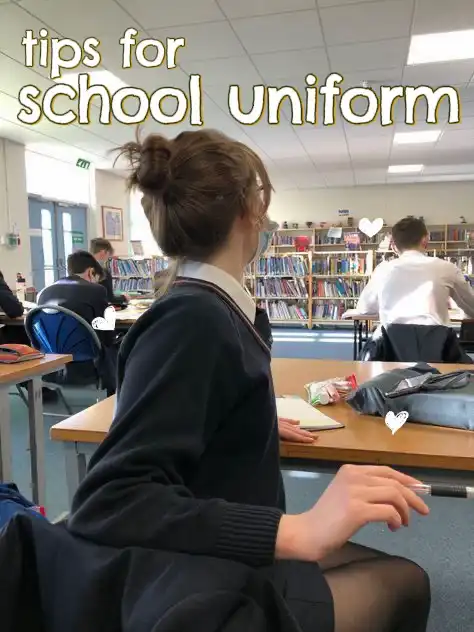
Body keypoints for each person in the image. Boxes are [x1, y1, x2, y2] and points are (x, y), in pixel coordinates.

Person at [67, 130, 431, 632]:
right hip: (200, 582)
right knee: (405, 583)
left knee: (396, 576)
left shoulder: (212, 308)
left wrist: (244, 417)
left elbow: (182, 408)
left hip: (215, 557)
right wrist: (295, 531)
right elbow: (110, 499)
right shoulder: (193, 320)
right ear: (250, 210)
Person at [346, 216, 474, 327]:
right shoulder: (447, 268)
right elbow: (471, 306)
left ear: (394, 245)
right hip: (437, 345)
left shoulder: (383, 271)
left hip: (394, 345)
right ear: (425, 240)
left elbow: (364, 309)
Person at [37, 250, 117, 394]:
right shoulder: (96, 290)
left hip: (50, 361)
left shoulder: (43, 293)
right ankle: (116, 397)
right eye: (97, 278)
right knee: (117, 344)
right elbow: (107, 335)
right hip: (87, 362)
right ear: (91, 272)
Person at [90, 238, 128, 308]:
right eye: (108, 255)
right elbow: (110, 299)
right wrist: (124, 298)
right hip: (99, 310)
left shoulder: (83, 268)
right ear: (103, 252)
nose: (108, 258)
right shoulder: (103, 272)